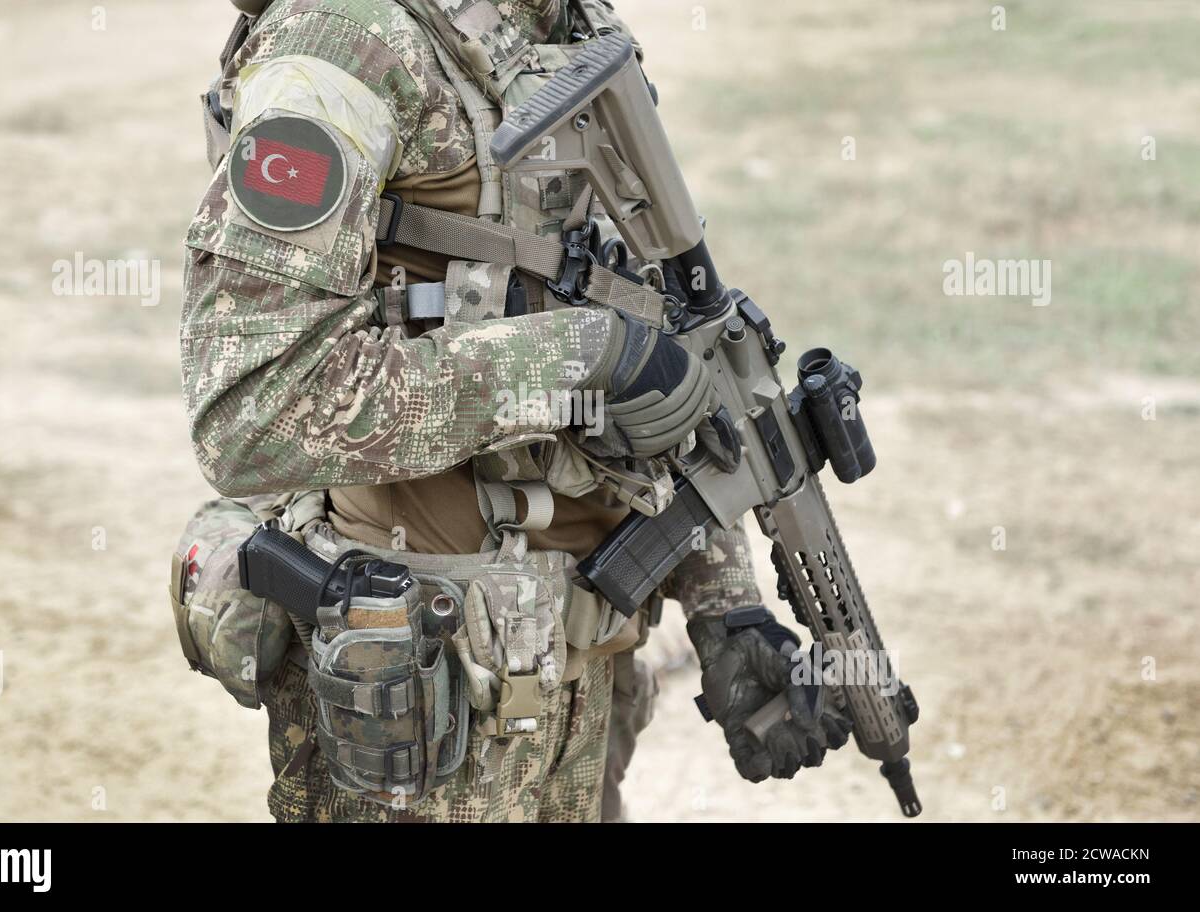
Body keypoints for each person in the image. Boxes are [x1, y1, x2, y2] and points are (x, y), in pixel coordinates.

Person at [180, 0, 850, 822]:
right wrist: (578, 358)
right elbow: (254, 410)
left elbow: (662, 330)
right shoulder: (347, 40)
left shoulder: (564, 24)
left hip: (588, 676)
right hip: (425, 702)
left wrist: (722, 600)